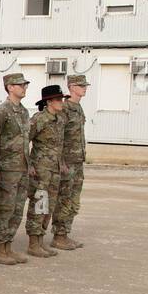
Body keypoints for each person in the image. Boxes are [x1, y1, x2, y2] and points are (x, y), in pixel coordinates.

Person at [0, 73, 31, 265]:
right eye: (20, 85)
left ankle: (8, 246)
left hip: (21, 168)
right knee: (5, 209)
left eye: (25, 85)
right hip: (7, 169)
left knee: (17, 209)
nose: (24, 88)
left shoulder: (23, 112)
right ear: (10, 87)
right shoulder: (1, 111)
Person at [25, 86, 66, 258]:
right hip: (40, 171)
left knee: (49, 206)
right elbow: (24, 141)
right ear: (48, 102)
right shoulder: (38, 119)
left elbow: (59, 145)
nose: (61, 102)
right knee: (39, 205)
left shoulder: (60, 119)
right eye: (58, 99)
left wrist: (61, 162)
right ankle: (33, 243)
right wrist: (29, 164)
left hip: (54, 170)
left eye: (62, 99)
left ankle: (41, 239)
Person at [52, 73, 89, 249]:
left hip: (77, 161)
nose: (84, 88)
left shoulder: (78, 108)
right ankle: (59, 236)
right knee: (64, 199)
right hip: (67, 162)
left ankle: (65, 233)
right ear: (72, 87)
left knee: (74, 200)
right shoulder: (65, 109)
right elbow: (58, 137)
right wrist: (61, 162)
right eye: (81, 86)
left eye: (85, 86)